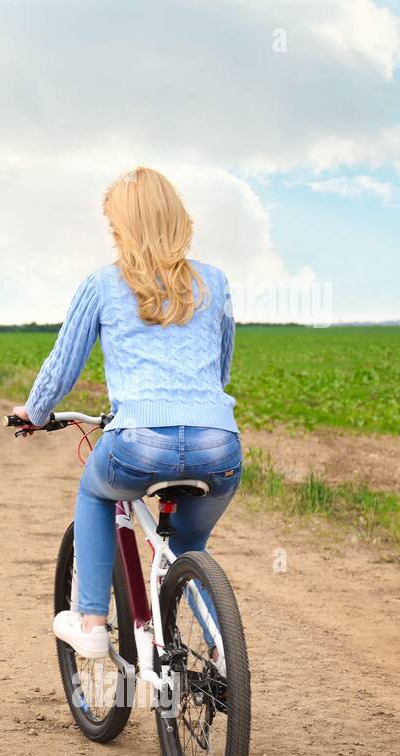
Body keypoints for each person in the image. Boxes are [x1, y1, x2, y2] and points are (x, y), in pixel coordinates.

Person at [13, 167, 240, 659]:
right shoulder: (215, 282)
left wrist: (34, 412)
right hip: (218, 442)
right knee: (187, 547)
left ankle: (92, 620)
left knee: (95, 492)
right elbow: (220, 369)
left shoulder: (102, 284)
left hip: (138, 442)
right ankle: (223, 652)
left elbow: (62, 367)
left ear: (121, 227)